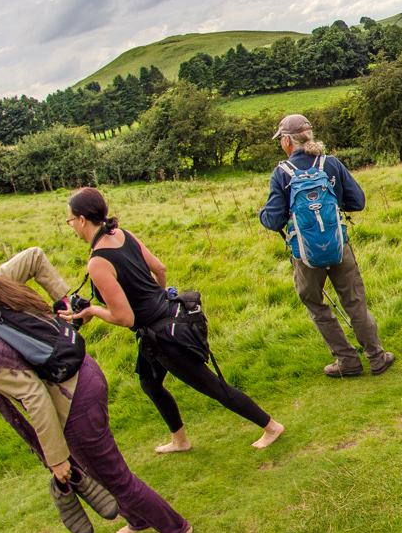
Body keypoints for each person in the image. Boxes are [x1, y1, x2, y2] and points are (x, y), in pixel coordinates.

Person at [0, 269, 192, 533]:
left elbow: (33, 394)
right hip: (81, 369)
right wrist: (63, 299)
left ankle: (174, 528)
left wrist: (56, 459)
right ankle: (137, 519)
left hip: (71, 398)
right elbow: (34, 257)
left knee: (112, 476)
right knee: (96, 469)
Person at [61, 187, 284, 453]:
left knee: (213, 386)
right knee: (150, 383)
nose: (71, 225)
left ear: (82, 219)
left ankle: (271, 426)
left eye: (70, 220)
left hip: (165, 337)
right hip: (166, 319)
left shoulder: (97, 262)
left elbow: (123, 317)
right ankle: (180, 440)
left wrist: (91, 312)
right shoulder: (123, 235)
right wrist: (157, 297)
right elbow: (160, 269)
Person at [259, 113, 394, 378]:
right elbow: (357, 202)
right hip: (338, 246)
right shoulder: (330, 164)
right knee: (354, 302)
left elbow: (272, 220)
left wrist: (264, 213)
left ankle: (347, 362)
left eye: (280, 140)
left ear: (287, 140)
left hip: (306, 254)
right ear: (308, 135)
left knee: (315, 304)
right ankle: (377, 359)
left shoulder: (282, 173)